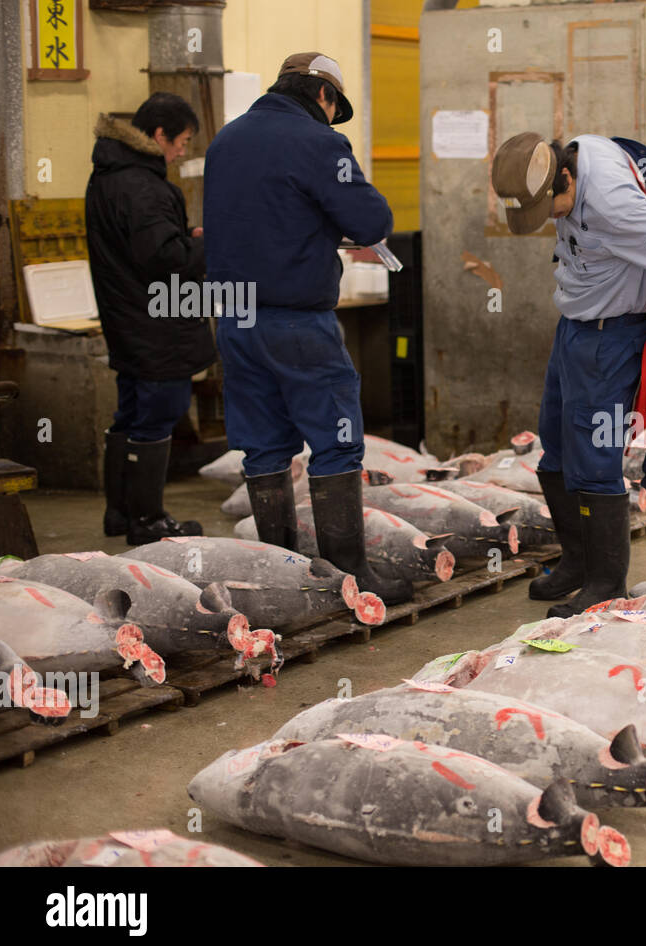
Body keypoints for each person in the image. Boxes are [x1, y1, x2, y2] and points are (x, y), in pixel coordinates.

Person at [203, 53, 410, 604]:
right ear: (322, 95)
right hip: (297, 320)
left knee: (263, 449)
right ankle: (348, 579)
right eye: (333, 108)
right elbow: (371, 222)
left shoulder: (225, 141)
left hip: (235, 322)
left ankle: (283, 579)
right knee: (336, 441)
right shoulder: (318, 143)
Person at [491, 132, 646, 617]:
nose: (549, 217)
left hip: (611, 337)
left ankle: (607, 583)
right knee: (555, 447)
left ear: (566, 178)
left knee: (594, 459)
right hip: (573, 325)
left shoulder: (613, 204)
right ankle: (577, 562)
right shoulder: (573, 151)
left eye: (550, 205)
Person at [85, 92, 210, 545]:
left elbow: (140, 248)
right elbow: (165, 258)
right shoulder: (145, 187)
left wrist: (183, 236)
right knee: (159, 416)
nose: (182, 151)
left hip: (127, 320)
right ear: (159, 135)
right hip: (158, 325)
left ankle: (119, 515)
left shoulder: (108, 178)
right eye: (181, 141)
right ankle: (148, 520)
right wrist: (207, 244)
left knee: (131, 415)